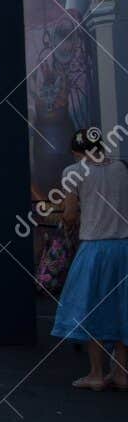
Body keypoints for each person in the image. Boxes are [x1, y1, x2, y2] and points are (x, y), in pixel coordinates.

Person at [52, 127, 128, 390]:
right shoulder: (121, 168)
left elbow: (70, 214)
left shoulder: (73, 173)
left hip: (95, 248)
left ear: (77, 152)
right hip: (124, 246)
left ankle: (96, 373)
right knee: (122, 308)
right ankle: (121, 372)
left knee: (90, 308)